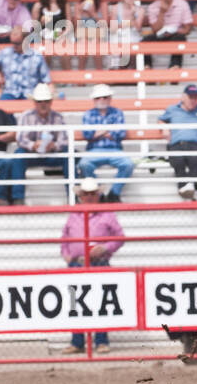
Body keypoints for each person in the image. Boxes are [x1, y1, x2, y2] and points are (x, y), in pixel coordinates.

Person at [60, 178, 123, 354]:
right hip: (76, 263)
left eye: (91, 194)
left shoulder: (107, 214)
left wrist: (105, 248)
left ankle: (101, 341)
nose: (88, 197)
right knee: (75, 303)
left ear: (97, 195)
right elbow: (64, 237)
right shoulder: (74, 215)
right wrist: (66, 254)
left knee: (100, 302)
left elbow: (119, 237)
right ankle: (77, 341)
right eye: (85, 194)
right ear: (80, 196)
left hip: (99, 262)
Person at [9, 82, 69, 203]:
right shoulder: (26, 116)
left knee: (69, 155)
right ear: (35, 102)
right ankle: (18, 198)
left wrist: (54, 145)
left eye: (46, 101)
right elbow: (20, 138)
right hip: (32, 154)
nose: (43, 104)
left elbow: (64, 140)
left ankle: (73, 196)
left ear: (51, 102)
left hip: (52, 154)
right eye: (40, 101)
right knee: (19, 155)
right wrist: (33, 145)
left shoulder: (58, 117)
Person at [78, 84, 134, 203]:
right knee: (84, 164)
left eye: (104, 97)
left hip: (114, 150)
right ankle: (99, 192)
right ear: (94, 100)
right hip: (95, 151)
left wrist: (98, 133)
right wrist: (108, 131)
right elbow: (87, 135)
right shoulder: (88, 114)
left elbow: (121, 134)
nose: (102, 100)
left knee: (128, 164)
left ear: (110, 98)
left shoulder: (117, 112)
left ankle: (114, 193)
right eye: (98, 98)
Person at [160, 84, 197, 199]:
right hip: (176, 144)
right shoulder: (172, 109)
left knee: (196, 158)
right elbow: (161, 121)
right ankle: (190, 185)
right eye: (190, 97)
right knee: (178, 160)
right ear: (183, 97)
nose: (193, 100)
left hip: (194, 144)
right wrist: (164, 128)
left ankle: (188, 187)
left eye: (195, 97)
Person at [142, 0, 194, 69]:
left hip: (176, 34)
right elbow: (155, 29)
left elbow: (188, 29)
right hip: (160, 34)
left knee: (180, 38)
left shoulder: (182, 4)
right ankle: (147, 66)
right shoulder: (153, 7)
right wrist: (162, 12)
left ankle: (175, 65)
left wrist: (175, 30)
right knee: (144, 41)